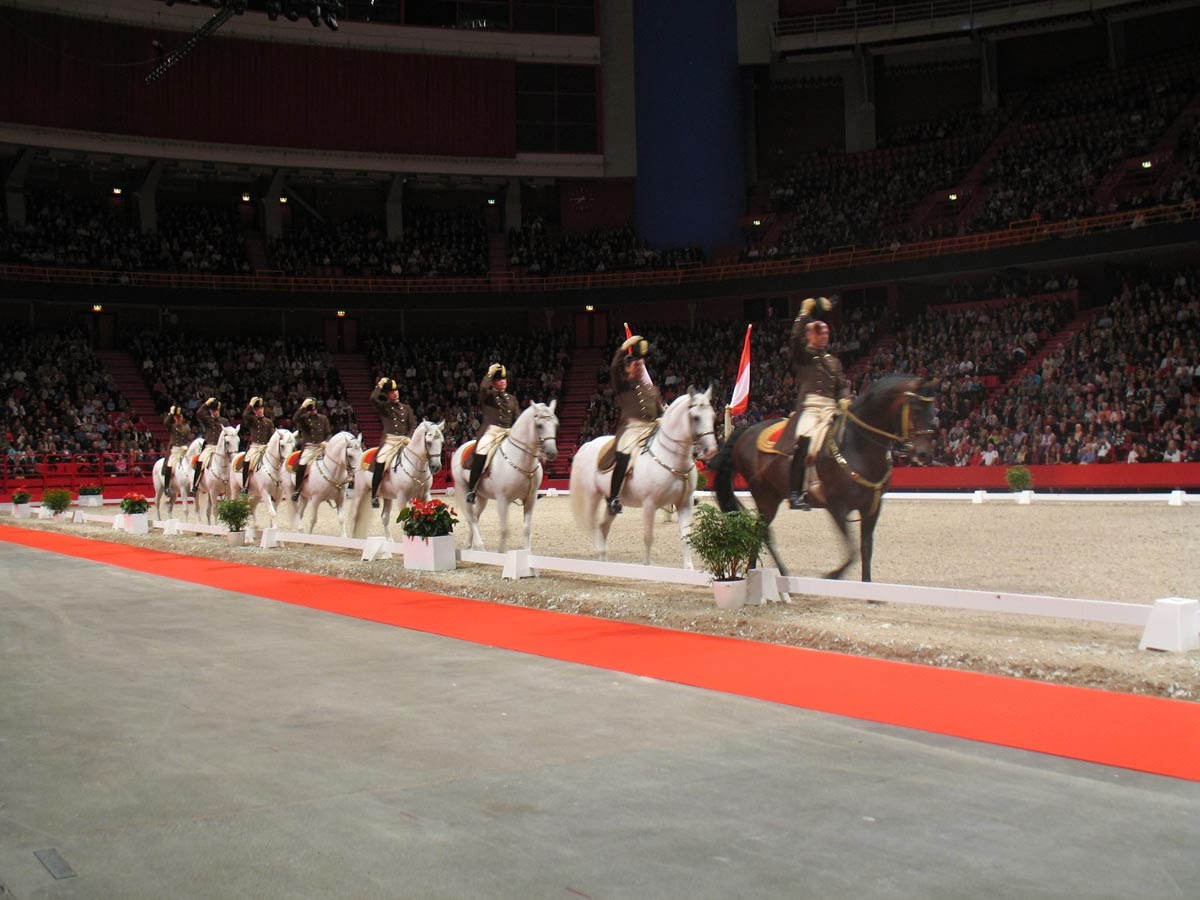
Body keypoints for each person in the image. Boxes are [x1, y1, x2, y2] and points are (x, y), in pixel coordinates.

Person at [788, 297, 850, 509]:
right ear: (809, 335)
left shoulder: (833, 361)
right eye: (819, 333)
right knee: (804, 440)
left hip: (831, 408)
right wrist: (804, 313)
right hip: (811, 408)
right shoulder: (804, 356)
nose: (824, 336)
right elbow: (795, 339)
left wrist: (844, 399)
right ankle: (796, 492)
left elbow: (841, 385)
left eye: (826, 333)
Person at [607, 334, 662, 515]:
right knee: (624, 453)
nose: (639, 368)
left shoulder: (651, 389)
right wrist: (625, 347)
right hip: (631, 429)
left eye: (641, 365)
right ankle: (614, 497)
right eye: (636, 365)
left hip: (652, 427)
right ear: (628, 368)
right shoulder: (623, 384)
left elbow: (659, 410)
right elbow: (614, 367)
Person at [465, 362, 520, 504]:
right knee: (482, 450)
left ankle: (527, 487)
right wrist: (489, 374)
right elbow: (483, 389)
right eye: (499, 379)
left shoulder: (512, 399)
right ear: (493, 382)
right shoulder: (488, 396)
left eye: (504, 379)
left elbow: (518, 418)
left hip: (509, 431)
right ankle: (472, 489)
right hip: (492, 432)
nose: (503, 381)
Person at [368, 377, 415, 508]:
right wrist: (379, 386)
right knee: (381, 460)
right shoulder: (385, 407)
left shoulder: (406, 408)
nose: (395, 394)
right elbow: (373, 399)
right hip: (390, 441)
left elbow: (412, 426)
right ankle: (374, 495)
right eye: (391, 392)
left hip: (405, 441)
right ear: (387, 395)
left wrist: (409, 437)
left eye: (396, 391)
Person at [291, 397, 332, 502]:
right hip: (310, 448)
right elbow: (294, 419)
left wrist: (326, 441)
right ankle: (297, 489)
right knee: (302, 464)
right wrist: (302, 407)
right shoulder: (303, 418)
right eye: (310, 409)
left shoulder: (323, 418)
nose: (313, 411)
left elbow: (328, 433)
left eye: (314, 409)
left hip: (321, 446)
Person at [239, 396, 274, 495]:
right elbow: (245, 415)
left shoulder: (268, 421)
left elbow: (271, 435)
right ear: (254, 411)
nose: (260, 411)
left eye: (261, 408)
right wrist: (250, 405)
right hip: (255, 447)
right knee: (247, 461)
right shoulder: (252, 420)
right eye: (257, 409)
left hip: (266, 446)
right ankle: (245, 486)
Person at [192, 397, 224, 492]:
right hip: (210, 446)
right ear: (211, 411)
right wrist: (206, 404)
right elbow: (199, 413)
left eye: (216, 410)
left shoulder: (224, 421)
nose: (215, 412)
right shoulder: (208, 420)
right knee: (200, 461)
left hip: (220, 447)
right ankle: (195, 484)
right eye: (213, 410)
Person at [162, 405, 192, 493]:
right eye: (177, 417)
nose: (178, 419)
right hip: (175, 450)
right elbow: (165, 423)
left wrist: (186, 446)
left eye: (180, 417)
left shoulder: (186, 427)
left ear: (182, 418)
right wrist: (171, 414)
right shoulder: (172, 427)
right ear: (174, 418)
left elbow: (188, 439)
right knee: (170, 466)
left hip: (184, 449)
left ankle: (194, 485)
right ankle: (167, 487)